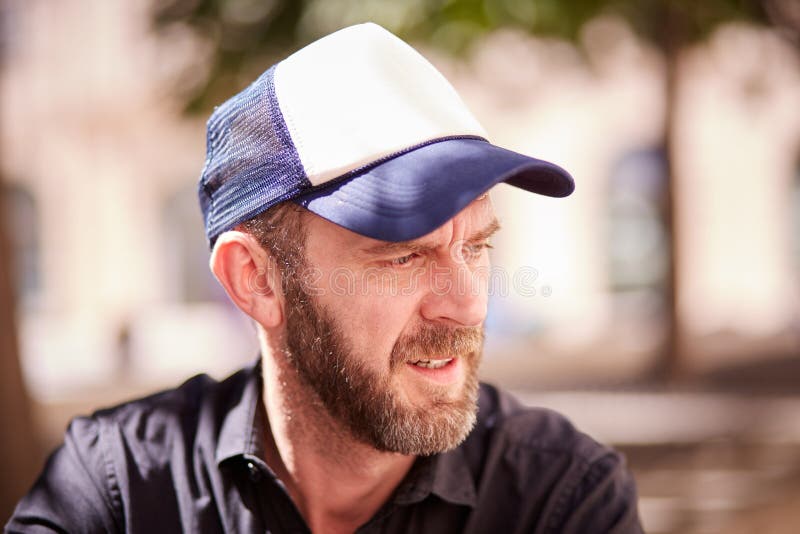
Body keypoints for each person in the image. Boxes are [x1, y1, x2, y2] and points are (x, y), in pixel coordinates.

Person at [6, 23, 643, 534]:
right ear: (254, 278)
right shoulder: (117, 490)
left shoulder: (559, 498)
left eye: (476, 248)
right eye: (403, 256)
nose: (468, 304)